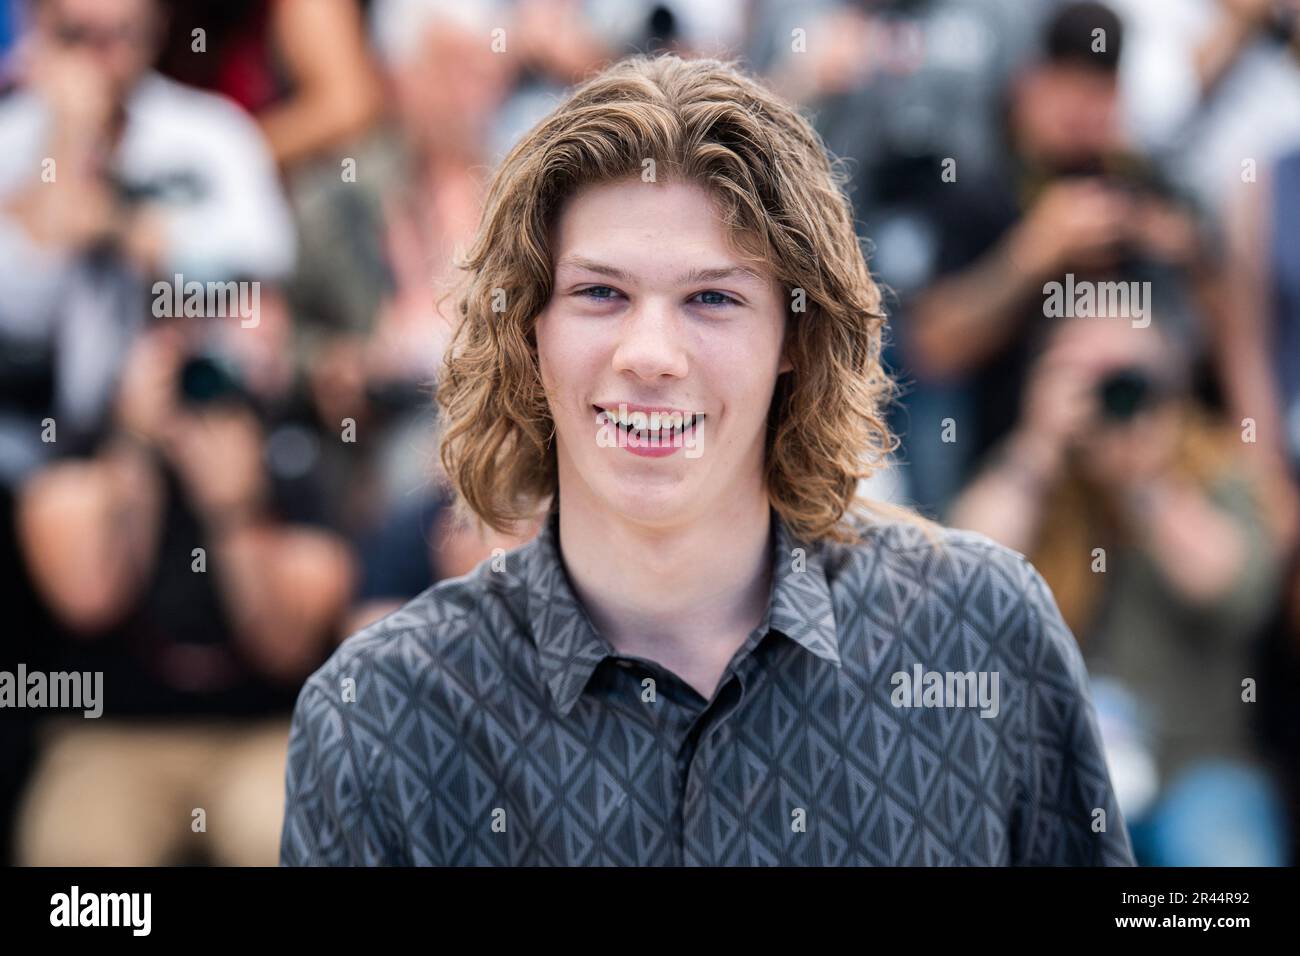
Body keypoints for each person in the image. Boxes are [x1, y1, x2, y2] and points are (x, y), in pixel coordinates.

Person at [279, 54, 1134, 866]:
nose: (651, 353)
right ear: (527, 331)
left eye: (713, 298)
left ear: (797, 337)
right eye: (600, 293)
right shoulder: (376, 717)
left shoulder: (984, 634)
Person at [948, 315, 1290, 865]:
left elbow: (1234, 588)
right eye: (1089, 380)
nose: (1110, 400)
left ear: (1170, 388)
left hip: (1198, 769)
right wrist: (1038, 448)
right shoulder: (1037, 477)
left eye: (1127, 379)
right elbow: (957, 576)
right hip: (1056, 775)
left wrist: (1144, 483)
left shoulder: (1215, 468)